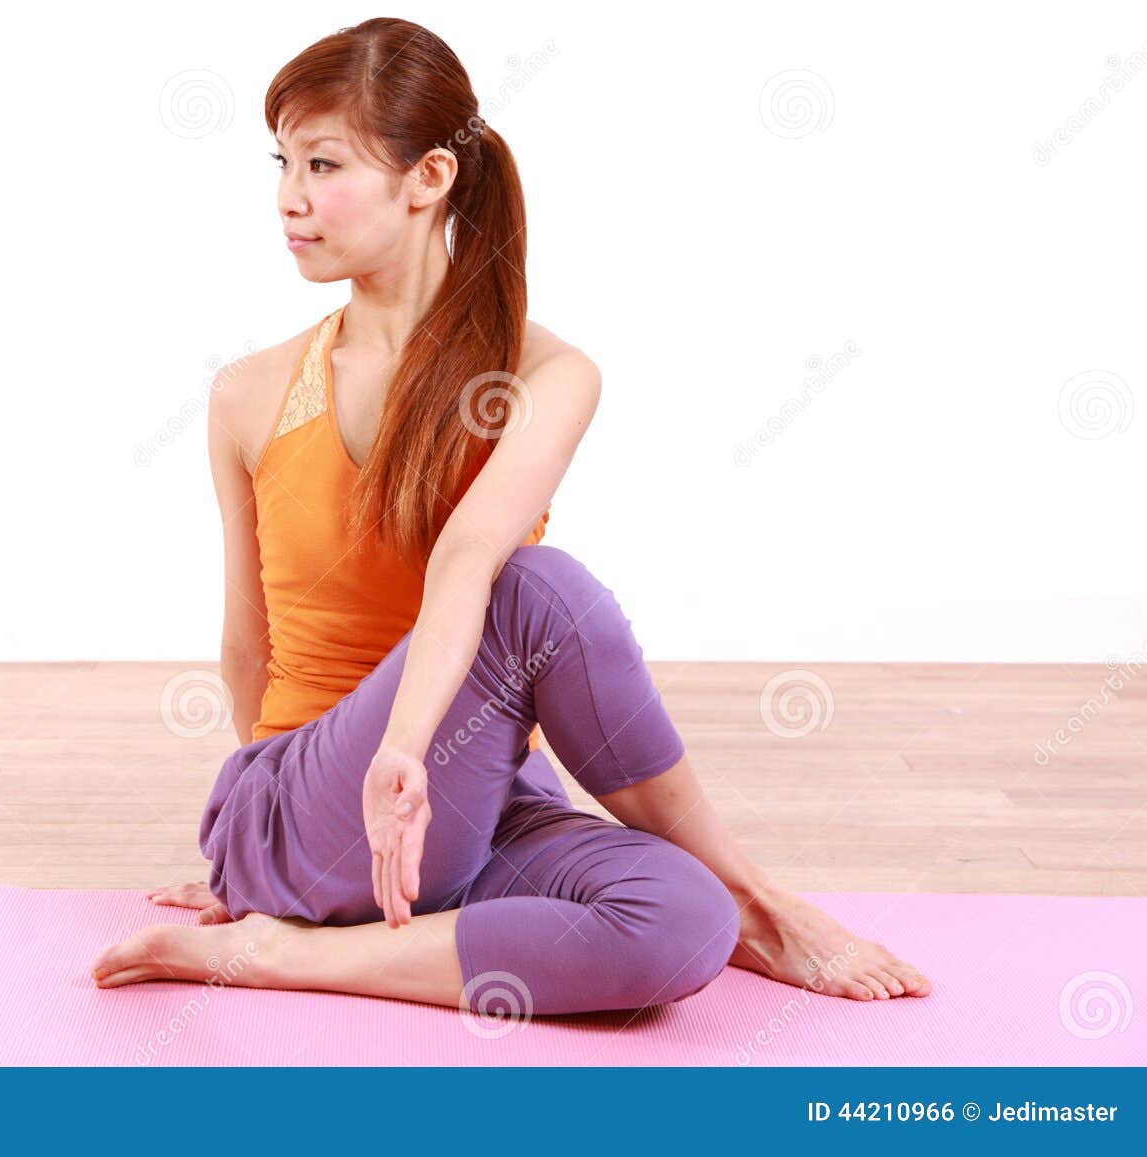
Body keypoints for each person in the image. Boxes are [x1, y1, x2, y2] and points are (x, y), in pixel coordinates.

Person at [91, 17, 931, 1015]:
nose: (288, 197)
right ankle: (767, 902)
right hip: (308, 801)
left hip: (465, 805)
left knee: (682, 919)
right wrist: (260, 850)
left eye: (322, 163)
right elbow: (248, 642)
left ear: (429, 177)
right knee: (541, 590)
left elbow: (467, 557)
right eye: (282, 162)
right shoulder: (249, 391)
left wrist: (410, 757)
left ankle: (291, 955)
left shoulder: (544, 373)